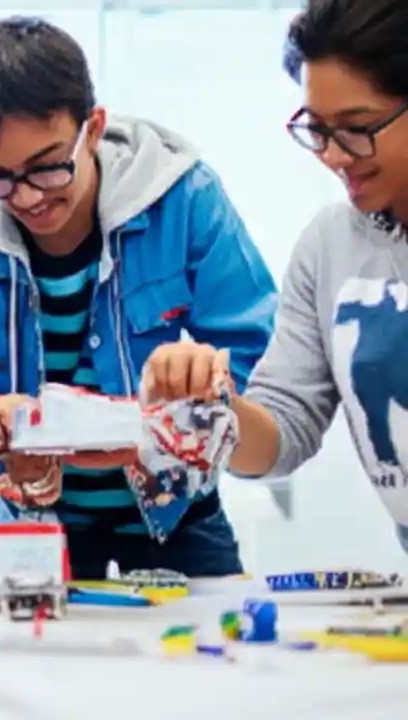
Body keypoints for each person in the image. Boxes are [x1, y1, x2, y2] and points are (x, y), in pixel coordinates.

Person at [0, 17, 278, 579]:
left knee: (218, 634)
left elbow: (255, 361)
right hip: (26, 525)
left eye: (46, 168)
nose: (26, 197)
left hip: (177, 514)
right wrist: (3, 447)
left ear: (93, 129)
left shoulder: (184, 200)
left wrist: (199, 390)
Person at [146, 0, 408, 552]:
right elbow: (282, 433)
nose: (332, 156)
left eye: (357, 129)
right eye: (318, 129)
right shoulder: (330, 246)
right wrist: (211, 410)